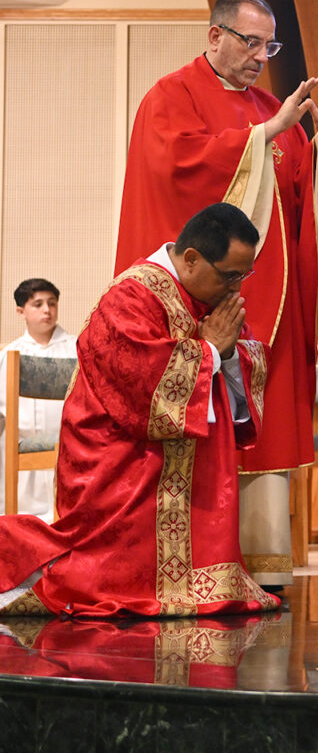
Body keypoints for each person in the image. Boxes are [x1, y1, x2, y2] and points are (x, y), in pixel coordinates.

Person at [115, 0, 318, 590]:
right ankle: (195, 568)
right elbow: (175, 170)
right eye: (250, 42)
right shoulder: (170, 97)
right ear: (214, 36)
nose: (260, 56)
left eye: (267, 45)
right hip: (198, 308)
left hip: (266, 306)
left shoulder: (269, 105)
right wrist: (260, 137)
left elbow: (298, 196)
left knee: (263, 421)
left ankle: (263, 569)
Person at [0, 204, 278, 618]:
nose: (237, 289)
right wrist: (208, 353)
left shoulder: (211, 295)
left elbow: (237, 354)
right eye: (230, 275)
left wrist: (226, 355)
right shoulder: (129, 299)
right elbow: (142, 386)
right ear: (191, 259)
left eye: (244, 275)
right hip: (117, 455)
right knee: (92, 573)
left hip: (178, 459)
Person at [0, 279, 77, 519]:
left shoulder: (77, 348)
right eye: (38, 304)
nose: (47, 310)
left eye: (52, 303)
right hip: (19, 449)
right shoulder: (9, 354)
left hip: (68, 446)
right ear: (21, 311)